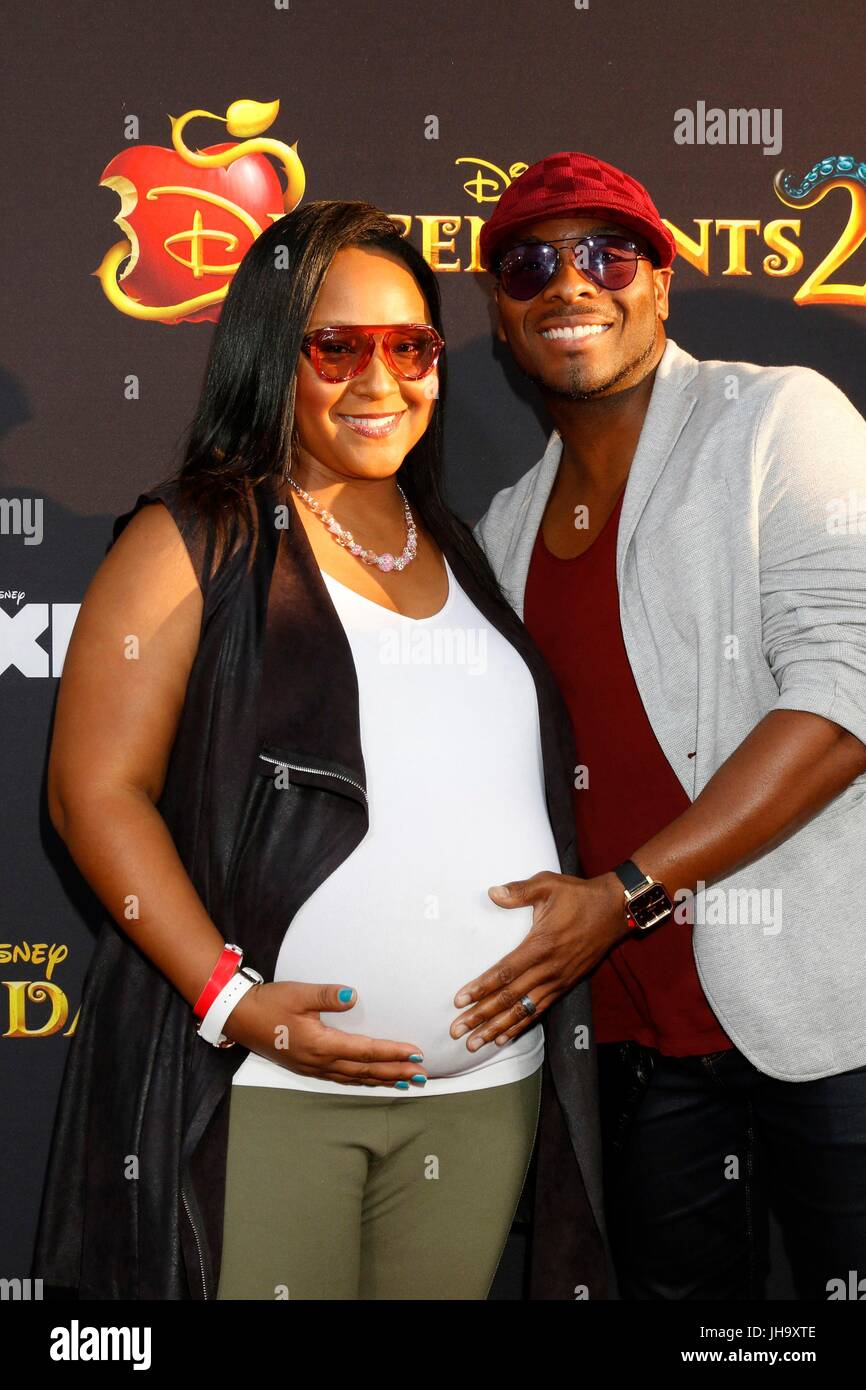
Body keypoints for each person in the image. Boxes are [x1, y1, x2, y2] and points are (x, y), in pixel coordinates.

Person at [31, 199, 613, 1301]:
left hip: (485, 1094)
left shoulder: (462, 546)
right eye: (337, 346)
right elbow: (92, 792)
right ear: (271, 356)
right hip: (269, 1088)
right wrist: (232, 1000)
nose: (379, 380)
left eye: (411, 346)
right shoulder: (199, 534)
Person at [469, 150, 866, 1300]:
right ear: (498, 317)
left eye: (606, 253)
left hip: (826, 1017)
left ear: (658, 282)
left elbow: (844, 691)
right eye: (529, 264)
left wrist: (626, 893)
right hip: (636, 1048)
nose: (568, 282)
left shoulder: (776, 418)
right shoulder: (501, 527)